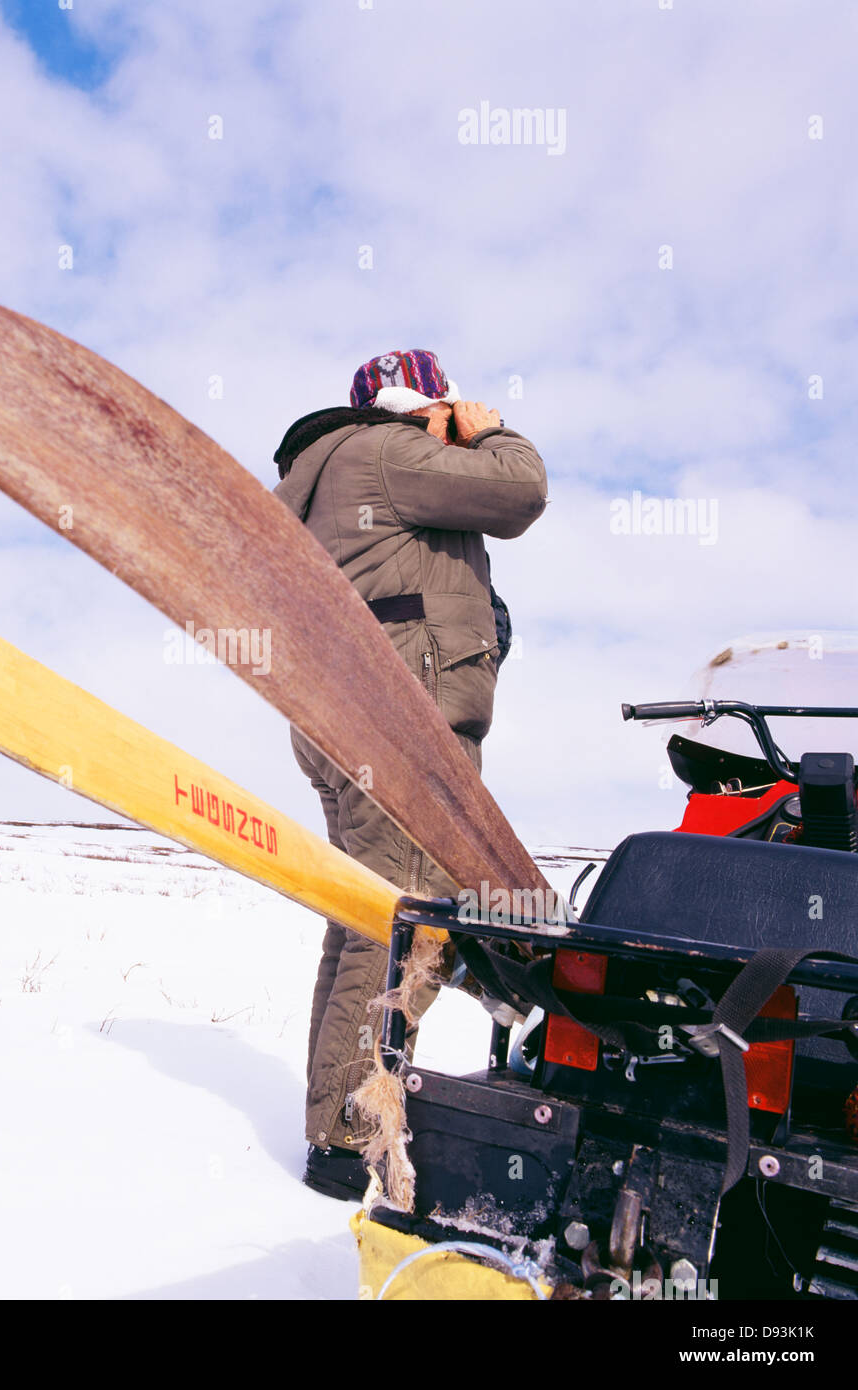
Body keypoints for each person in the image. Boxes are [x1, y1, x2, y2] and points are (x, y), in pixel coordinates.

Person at [271, 348, 548, 1199]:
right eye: (446, 411)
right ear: (423, 407)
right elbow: (519, 490)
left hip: (345, 720)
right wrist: (491, 430)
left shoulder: (328, 470)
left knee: (363, 920)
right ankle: (353, 1133)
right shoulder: (387, 451)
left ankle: (337, 1113)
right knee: (400, 923)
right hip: (400, 724)